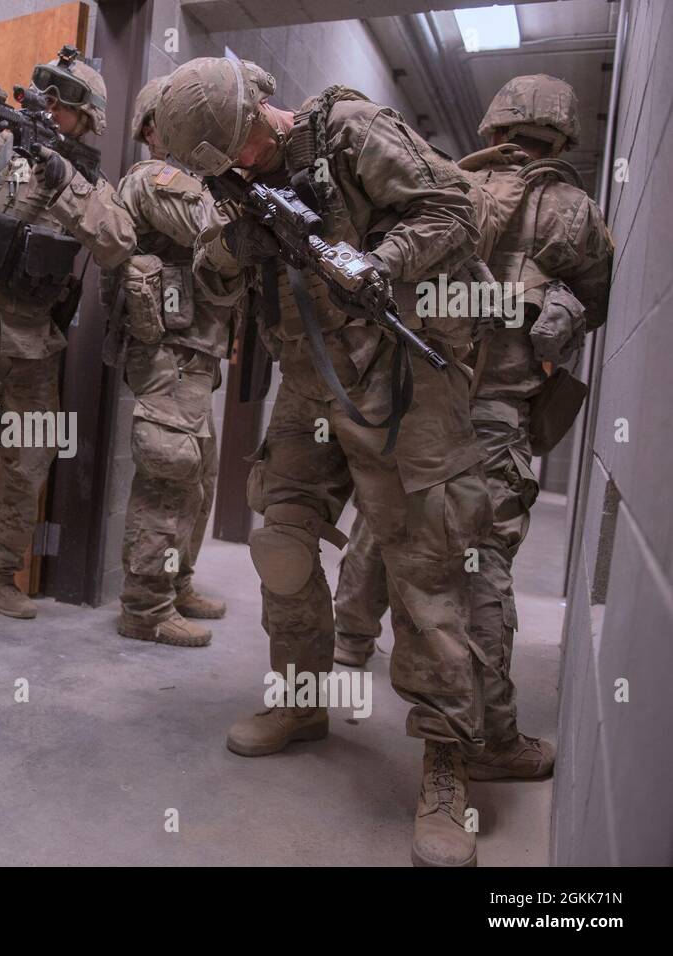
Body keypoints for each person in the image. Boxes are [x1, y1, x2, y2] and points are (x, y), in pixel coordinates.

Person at [156, 56, 494, 866]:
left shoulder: (351, 134)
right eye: (216, 164)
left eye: (234, 150)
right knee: (280, 544)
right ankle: (301, 700)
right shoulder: (234, 183)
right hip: (309, 388)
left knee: (427, 566)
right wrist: (240, 240)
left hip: (402, 387)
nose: (231, 168)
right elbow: (209, 273)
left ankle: (448, 763)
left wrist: (378, 263)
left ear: (256, 113)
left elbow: (454, 210)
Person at [332, 75, 613, 784]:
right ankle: (487, 739)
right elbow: (599, 294)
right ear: (563, 135)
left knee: (388, 517)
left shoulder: (445, 182)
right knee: (478, 564)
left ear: (492, 130)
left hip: (417, 391)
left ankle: (348, 645)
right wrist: (561, 307)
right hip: (495, 413)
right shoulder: (578, 212)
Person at [0, 47, 136, 620]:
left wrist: (65, 179)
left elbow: (119, 241)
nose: (47, 106)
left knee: (29, 462)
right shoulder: (7, 146)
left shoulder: (91, 180)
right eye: (43, 94)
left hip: (35, 349)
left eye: (61, 101)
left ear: (87, 118)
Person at [108, 76, 235, 647]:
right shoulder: (155, 179)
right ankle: (145, 609)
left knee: (197, 482)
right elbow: (211, 231)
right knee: (167, 475)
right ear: (154, 126)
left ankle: (176, 583)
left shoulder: (199, 182)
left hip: (197, 355)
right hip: (167, 355)